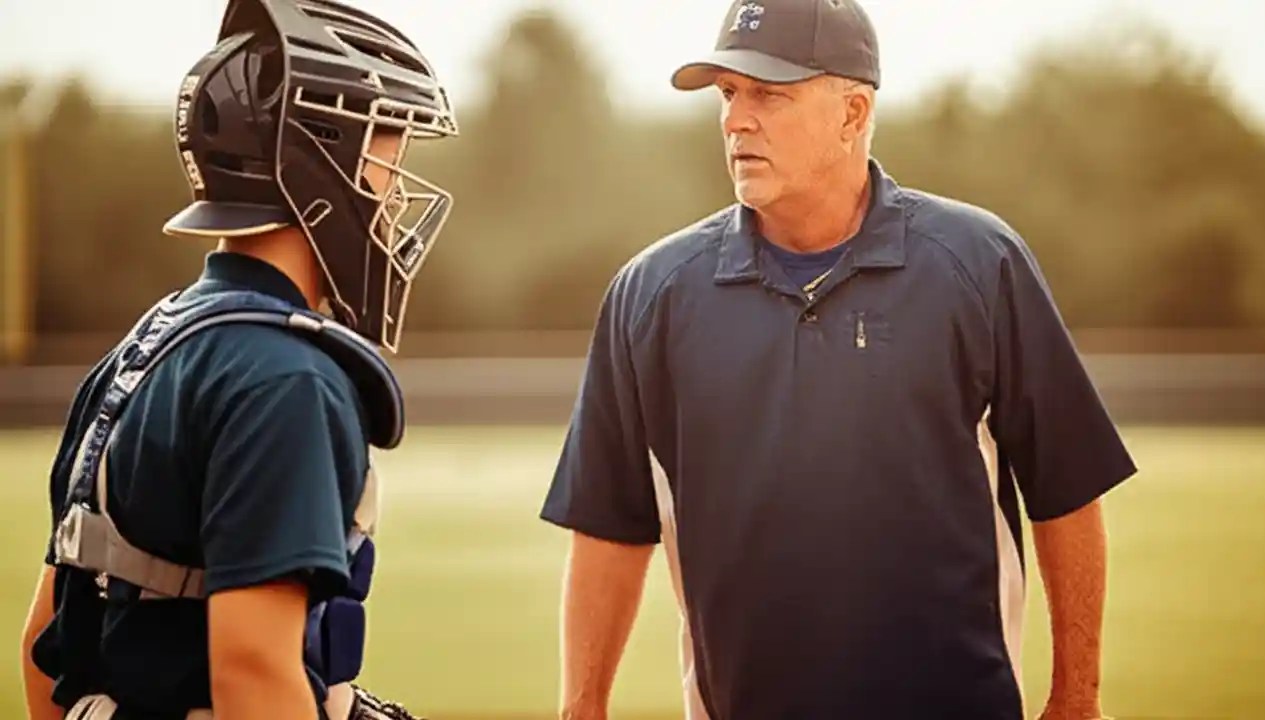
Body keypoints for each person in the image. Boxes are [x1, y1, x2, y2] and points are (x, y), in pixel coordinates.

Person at [538, 0, 1137, 718]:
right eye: (728, 93)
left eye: (769, 94)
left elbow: (1066, 491)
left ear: (852, 114)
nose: (735, 120)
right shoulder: (651, 294)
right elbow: (607, 522)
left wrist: (1077, 698)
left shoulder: (979, 264)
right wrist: (582, 710)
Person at [18, 1, 458, 718]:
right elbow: (253, 674)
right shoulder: (286, 378)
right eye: (385, 165)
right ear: (317, 163)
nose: (393, 201)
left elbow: (47, 649)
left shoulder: (146, 348)